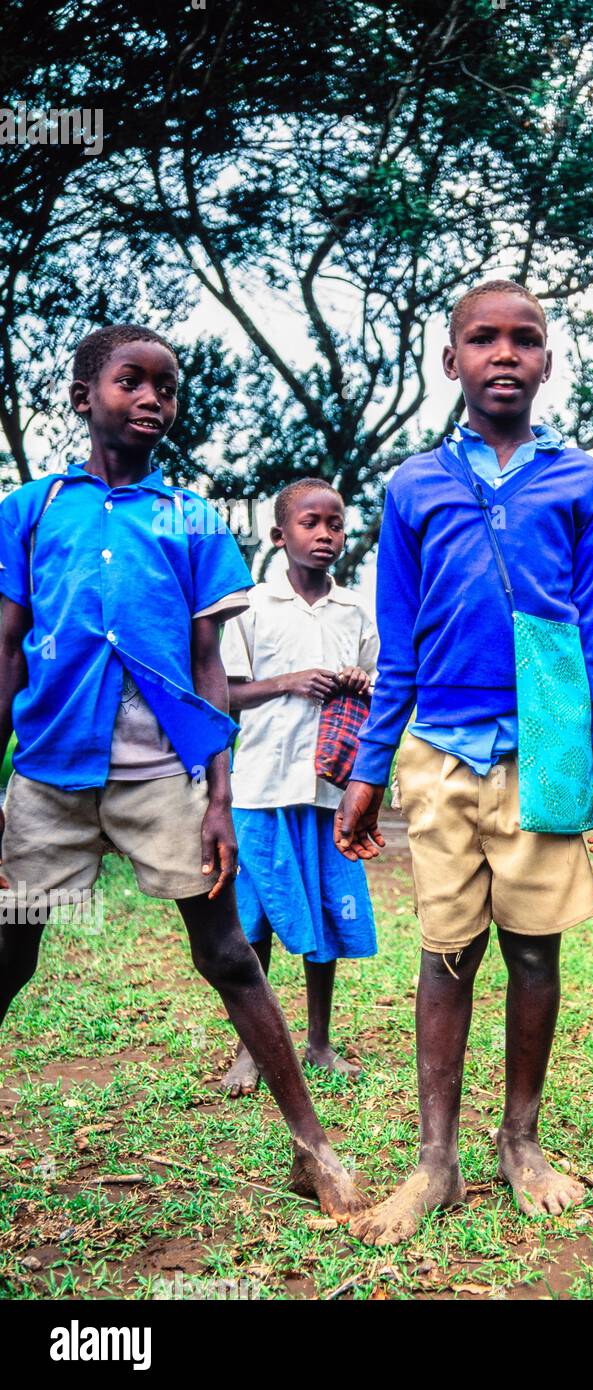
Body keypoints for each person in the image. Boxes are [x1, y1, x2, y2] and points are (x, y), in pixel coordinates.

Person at [0, 324, 366, 1218]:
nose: (154, 398)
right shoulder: (32, 509)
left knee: (229, 954)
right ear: (85, 395)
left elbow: (209, 662)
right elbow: (7, 647)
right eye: (133, 381)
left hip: (162, 770)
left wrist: (219, 794)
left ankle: (312, 1149)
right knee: (9, 956)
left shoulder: (193, 519)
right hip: (47, 772)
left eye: (167, 387)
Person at [333, 281, 593, 1244]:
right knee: (447, 951)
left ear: (547, 362)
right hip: (441, 751)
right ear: (452, 360)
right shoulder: (412, 483)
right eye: (483, 340)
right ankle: (437, 1161)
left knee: (535, 947)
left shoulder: (580, 480)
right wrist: (368, 772)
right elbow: (399, 641)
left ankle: (521, 1141)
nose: (504, 354)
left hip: (545, 747)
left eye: (525, 341)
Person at [218, 478, 381, 1096]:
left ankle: (318, 1042)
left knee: (323, 920)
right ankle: (251, 1048)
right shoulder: (250, 607)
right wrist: (288, 681)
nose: (325, 535)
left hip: (328, 789)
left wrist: (361, 683)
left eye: (335, 524)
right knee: (254, 923)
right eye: (310, 524)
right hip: (261, 785)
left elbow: (382, 684)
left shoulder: (356, 610)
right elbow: (225, 690)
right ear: (279, 535)